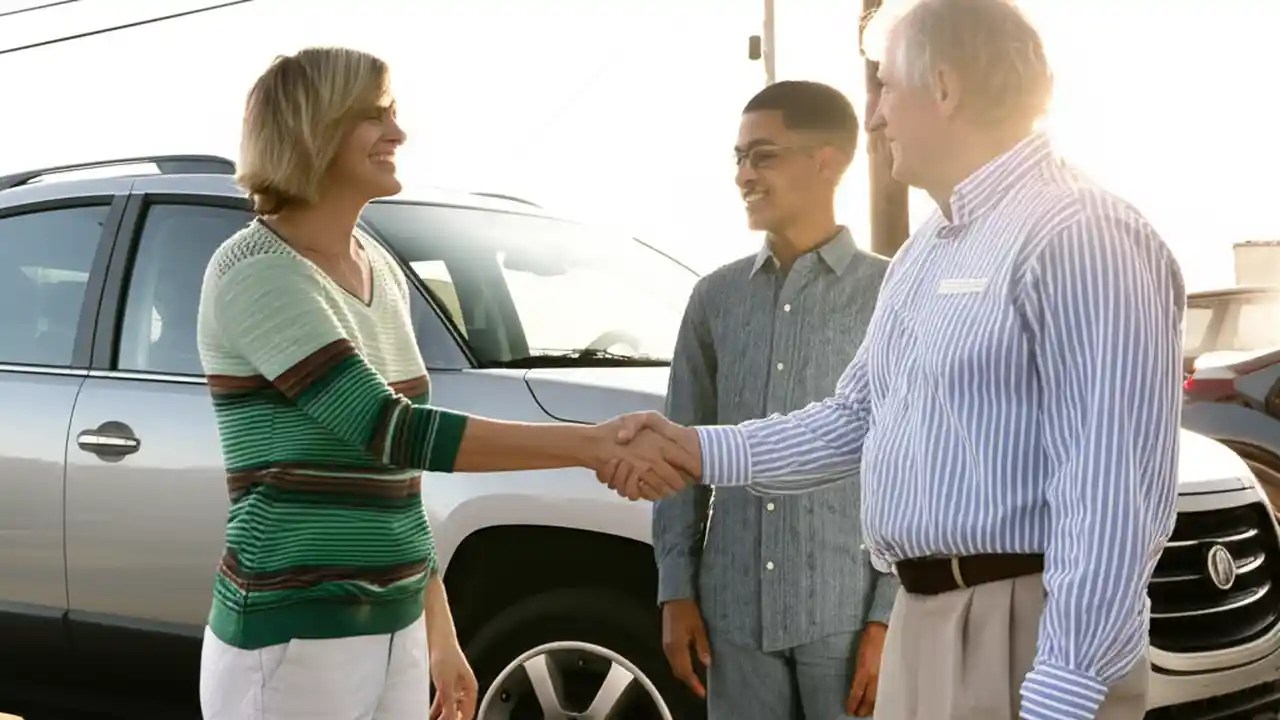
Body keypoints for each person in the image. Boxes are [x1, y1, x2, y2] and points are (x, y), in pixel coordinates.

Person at [606, 1, 1186, 718]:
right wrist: (696, 449)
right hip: (925, 622)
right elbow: (854, 418)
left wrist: (1065, 691)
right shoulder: (925, 252)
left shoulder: (1080, 233)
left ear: (943, 87)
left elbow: (1109, 494)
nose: (874, 117)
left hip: (1026, 631)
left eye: (885, 87)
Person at [195, 46, 695, 720]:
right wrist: (593, 446)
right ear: (315, 127)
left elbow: (396, 485)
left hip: (393, 626)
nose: (397, 134)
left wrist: (439, 633)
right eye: (375, 117)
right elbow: (392, 431)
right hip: (294, 634)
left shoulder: (378, 268)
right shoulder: (257, 272)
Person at [652, 80, 896, 720]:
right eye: (738, 158)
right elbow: (682, 451)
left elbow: (920, 465)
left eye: (764, 156)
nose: (744, 175)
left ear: (828, 160)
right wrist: (674, 590)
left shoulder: (892, 293)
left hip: (845, 616)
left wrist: (888, 618)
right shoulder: (714, 299)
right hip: (731, 616)